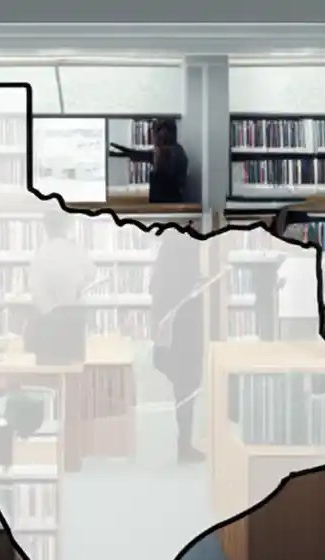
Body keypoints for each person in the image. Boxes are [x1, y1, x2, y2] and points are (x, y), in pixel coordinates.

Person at [151, 233, 205, 464]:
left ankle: (184, 444)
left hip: (174, 331)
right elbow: (184, 290)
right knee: (187, 386)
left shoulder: (167, 250)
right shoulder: (186, 250)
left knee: (183, 387)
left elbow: (155, 288)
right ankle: (184, 446)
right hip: (185, 331)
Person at [25, 213, 96, 355]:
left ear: (46, 229)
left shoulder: (41, 254)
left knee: (50, 365)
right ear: (66, 227)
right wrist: (77, 287)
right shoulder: (75, 249)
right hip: (73, 316)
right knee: (75, 364)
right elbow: (91, 274)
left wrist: (47, 308)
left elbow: (34, 287)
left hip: (48, 319)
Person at [111, 119, 188, 203]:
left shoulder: (169, 153)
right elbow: (142, 155)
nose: (155, 136)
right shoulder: (176, 150)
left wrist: (123, 152)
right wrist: (122, 152)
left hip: (166, 204)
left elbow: (146, 156)